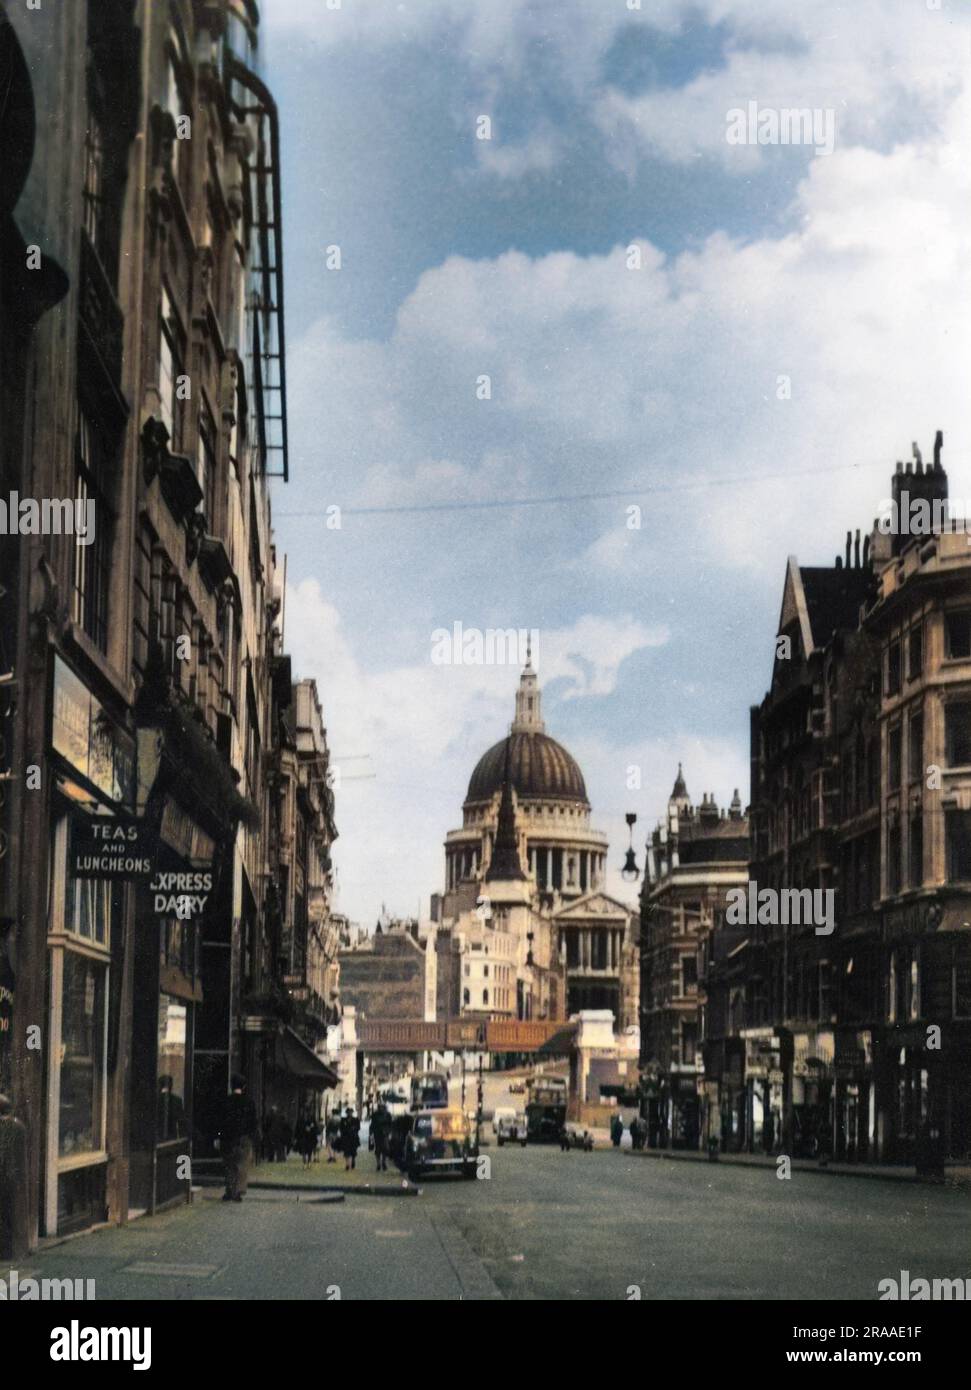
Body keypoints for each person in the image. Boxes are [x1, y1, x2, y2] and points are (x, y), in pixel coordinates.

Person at [219, 1075, 257, 1202]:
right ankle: (238, 1192)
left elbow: (221, 1122)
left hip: (228, 1138)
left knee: (229, 1165)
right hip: (244, 1138)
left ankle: (229, 1190)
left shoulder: (225, 1101)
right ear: (244, 1087)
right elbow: (253, 1122)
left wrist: (219, 1137)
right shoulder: (249, 1102)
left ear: (231, 1085)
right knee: (241, 1165)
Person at [371, 1102, 392, 1171]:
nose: (381, 1108)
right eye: (380, 1107)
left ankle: (383, 1162)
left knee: (385, 1149)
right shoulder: (375, 1115)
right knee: (378, 1149)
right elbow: (372, 1124)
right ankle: (378, 1163)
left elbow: (390, 1124)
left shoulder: (388, 1115)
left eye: (382, 1107)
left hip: (385, 1134)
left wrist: (389, 1132)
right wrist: (371, 1133)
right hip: (377, 1134)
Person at [339, 1106, 360, 1171]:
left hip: (354, 1138)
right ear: (346, 1113)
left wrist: (354, 1129)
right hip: (346, 1138)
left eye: (350, 1112)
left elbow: (358, 1128)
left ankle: (353, 1160)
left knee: (353, 1151)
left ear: (352, 1113)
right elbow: (341, 1128)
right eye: (348, 1112)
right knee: (346, 1151)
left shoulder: (356, 1120)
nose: (349, 1113)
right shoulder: (343, 1120)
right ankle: (347, 1164)